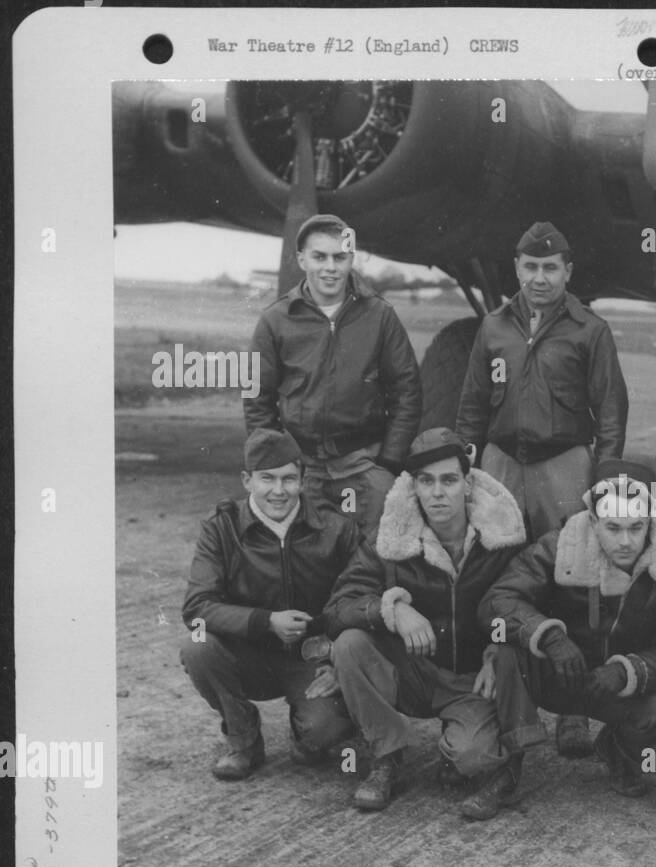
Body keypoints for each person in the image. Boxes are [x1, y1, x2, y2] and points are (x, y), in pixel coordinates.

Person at [455, 221, 630, 757]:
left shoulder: (590, 330)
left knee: (573, 577)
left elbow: (612, 412)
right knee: (495, 570)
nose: (539, 277)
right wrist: (468, 471)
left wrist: (603, 482)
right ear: (517, 269)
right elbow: (471, 407)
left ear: (567, 272)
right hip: (502, 461)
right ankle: (500, 690)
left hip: (564, 463)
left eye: (550, 268)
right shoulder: (493, 327)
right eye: (530, 267)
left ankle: (574, 707)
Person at [323, 429, 528, 816]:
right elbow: (337, 608)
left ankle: (456, 753)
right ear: (413, 487)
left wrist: (500, 647)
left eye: (449, 480)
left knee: (474, 758)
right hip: (412, 669)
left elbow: (528, 604)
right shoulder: (390, 537)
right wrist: (392, 609)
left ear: (467, 484)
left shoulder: (503, 539)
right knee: (349, 644)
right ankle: (386, 756)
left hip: (470, 680)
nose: (438, 492)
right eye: (426, 481)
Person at [481, 460, 656, 798]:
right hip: (557, 671)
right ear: (594, 521)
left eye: (636, 527)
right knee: (508, 650)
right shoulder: (558, 546)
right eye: (613, 528)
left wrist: (628, 671)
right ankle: (509, 762)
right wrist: (548, 635)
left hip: (613, 686)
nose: (625, 541)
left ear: (651, 522)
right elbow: (497, 600)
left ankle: (618, 751)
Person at [180, 429, 360, 780]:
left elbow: (363, 593)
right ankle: (243, 737)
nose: (279, 491)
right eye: (267, 479)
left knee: (326, 731)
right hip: (249, 656)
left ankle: (307, 730)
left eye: (289, 479)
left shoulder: (335, 528)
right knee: (197, 645)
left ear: (303, 480)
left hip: (312, 659)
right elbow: (197, 606)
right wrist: (266, 621)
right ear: (247, 481)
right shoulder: (222, 529)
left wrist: (340, 658)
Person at [245, 213, 422, 536]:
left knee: (374, 560)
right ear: (301, 259)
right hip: (304, 470)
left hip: (364, 465)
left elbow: (407, 391)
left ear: (351, 258)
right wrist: (276, 466)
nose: (330, 267)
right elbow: (257, 399)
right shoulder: (275, 320)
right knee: (305, 566)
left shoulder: (381, 317)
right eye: (319, 257)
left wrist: (389, 464)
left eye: (340, 257)